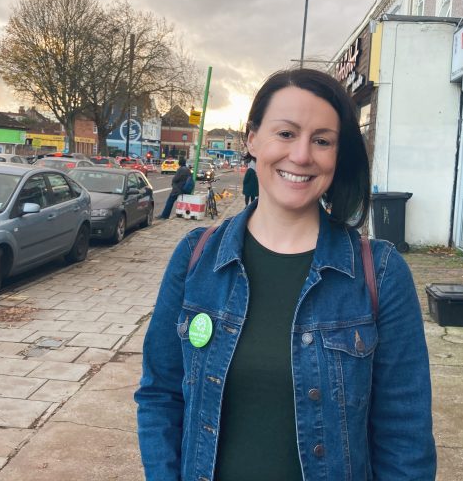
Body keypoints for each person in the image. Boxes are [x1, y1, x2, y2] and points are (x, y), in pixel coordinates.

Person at [136, 68, 436, 480]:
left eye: (322, 141)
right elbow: (160, 396)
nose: (301, 155)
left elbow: (405, 435)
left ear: (337, 155)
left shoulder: (380, 273)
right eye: (286, 133)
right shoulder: (196, 258)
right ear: (252, 139)